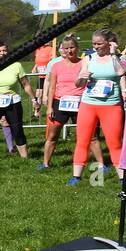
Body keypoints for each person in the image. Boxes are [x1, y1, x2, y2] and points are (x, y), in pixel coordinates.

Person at [69, 28, 126, 185]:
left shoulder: (118, 58)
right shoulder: (88, 58)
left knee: (114, 142)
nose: (95, 46)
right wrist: (81, 78)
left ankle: (123, 179)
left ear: (109, 43)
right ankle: (76, 177)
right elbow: (78, 83)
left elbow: (122, 72)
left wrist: (114, 53)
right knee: (82, 140)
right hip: (89, 105)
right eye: (93, 43)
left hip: (111, 106)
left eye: (99, 44)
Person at [40, 37, 104, 171]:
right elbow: (52, 87)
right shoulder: (56, 65)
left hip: (81, 103)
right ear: (62, 49)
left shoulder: (85, 63)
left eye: (72, 47)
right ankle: (45, 164)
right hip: (59, 103)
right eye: (66, 48)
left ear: (77, 48)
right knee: (52, 136)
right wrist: (50, 106)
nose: (69, 51)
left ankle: (101, 165)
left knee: (91, 136)